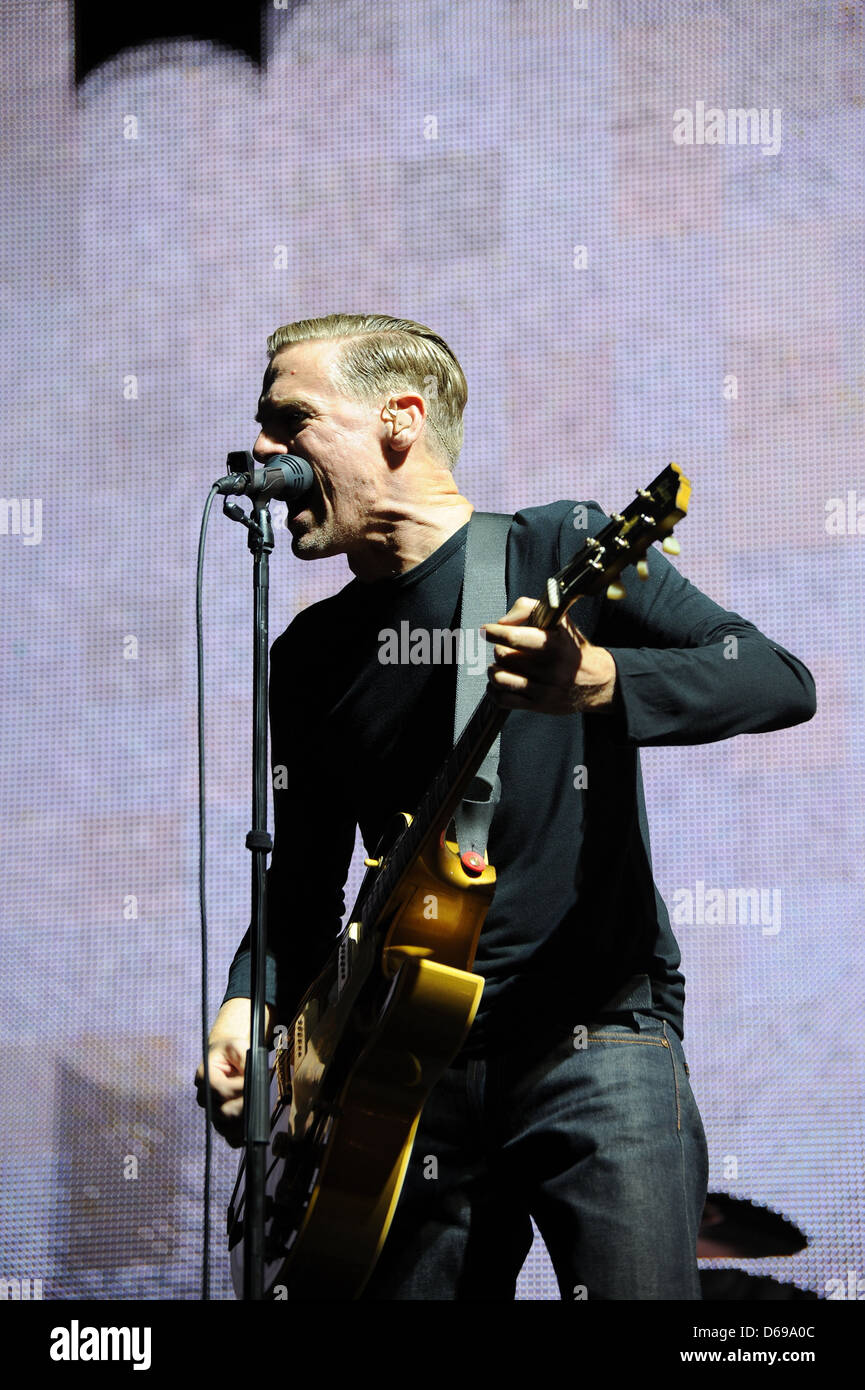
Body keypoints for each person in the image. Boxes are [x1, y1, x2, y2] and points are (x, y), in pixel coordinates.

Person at [195, 312, 816, 1300]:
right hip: (401, 1080)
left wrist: (600, 679)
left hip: (594, 1042)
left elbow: (777, 679)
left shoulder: (552, 547)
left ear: (399, 420)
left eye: (289, 418)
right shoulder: (307, 659)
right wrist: (247, 1006)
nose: (259, 449)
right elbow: (302, 879)